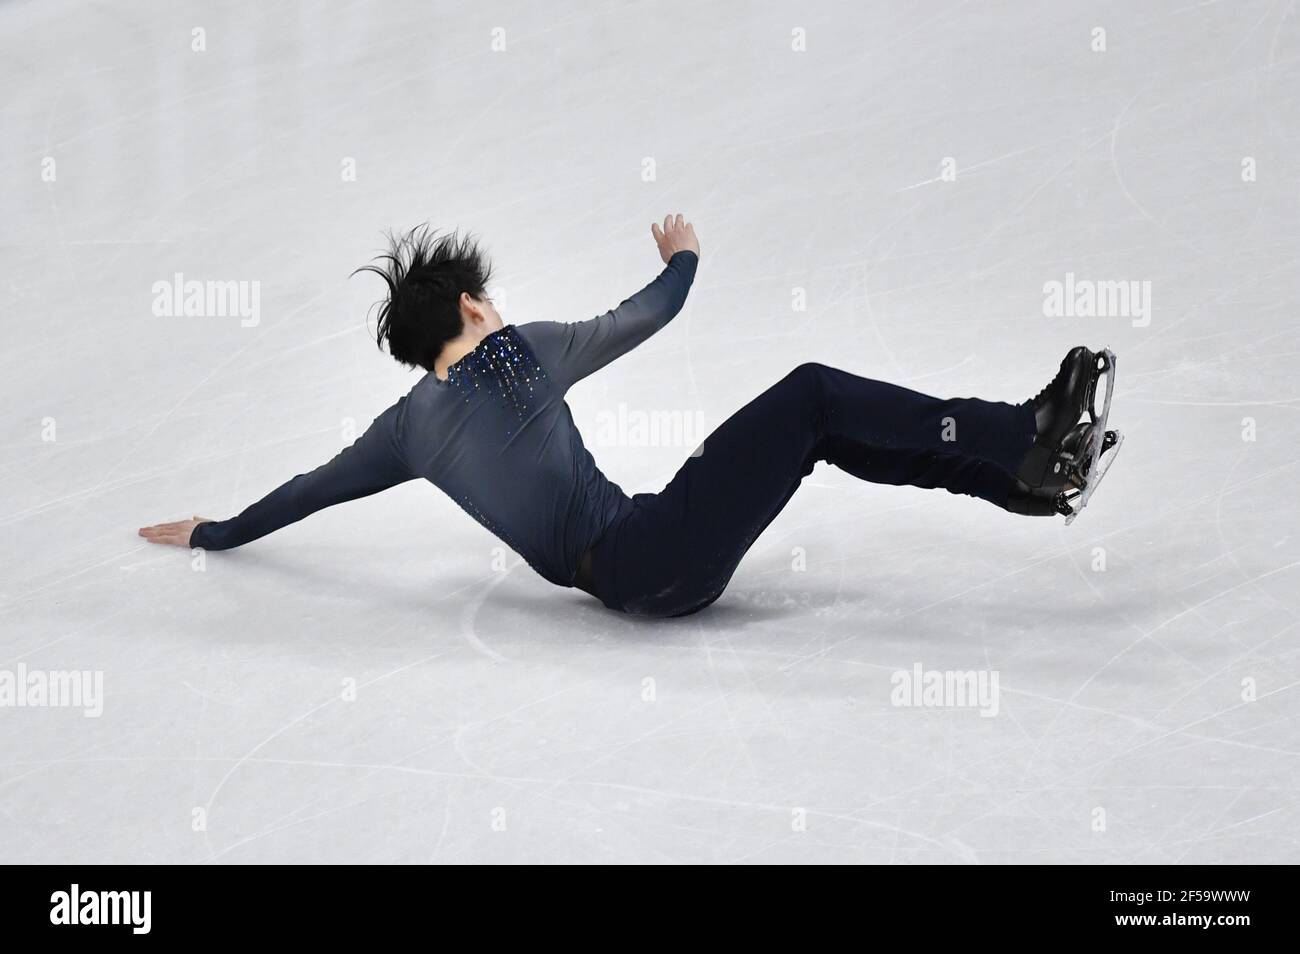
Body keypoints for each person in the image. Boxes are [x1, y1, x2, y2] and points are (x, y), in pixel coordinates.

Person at [140, 215, 1117, 618]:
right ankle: (1020, 433)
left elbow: (311, 492)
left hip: (634, 573)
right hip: (652, 550)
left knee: (816, 430)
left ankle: (1023, 482)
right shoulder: (512, 358)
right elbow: (654, 311)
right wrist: (683, 252)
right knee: (814, 391)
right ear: (475, 310)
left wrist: (214, 532)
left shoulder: (405, 429)